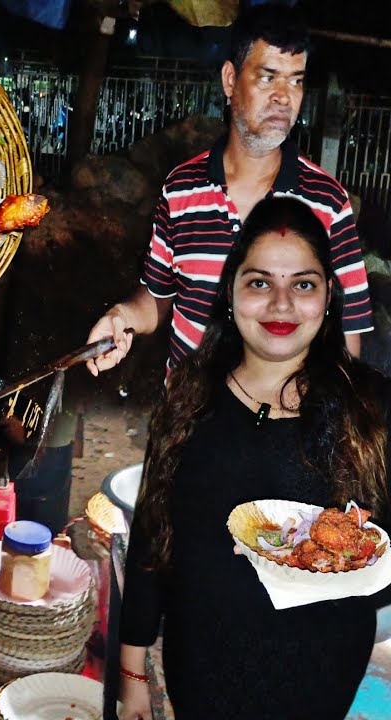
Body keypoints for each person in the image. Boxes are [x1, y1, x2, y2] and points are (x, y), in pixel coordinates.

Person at [117, 195, 391, 719]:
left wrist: (337, 565)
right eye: (260, 283)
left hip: (320, 684)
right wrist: (132, 676)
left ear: (328, 295)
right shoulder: (188, 398)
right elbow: (152, 545)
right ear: (230, 292)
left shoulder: (373, 409)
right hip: (198, 678)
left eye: (303, 285)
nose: (281, 305)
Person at [86, 5, 373, 376]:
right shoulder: (181, 190)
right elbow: (157, 295)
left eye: (296, 81)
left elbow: (349, 329)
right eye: (268, 78)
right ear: (230, 80)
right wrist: (122, 317)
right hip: (189, 408)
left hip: (288, 412)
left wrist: (338, 405)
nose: (284, 97)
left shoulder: (328, 203)